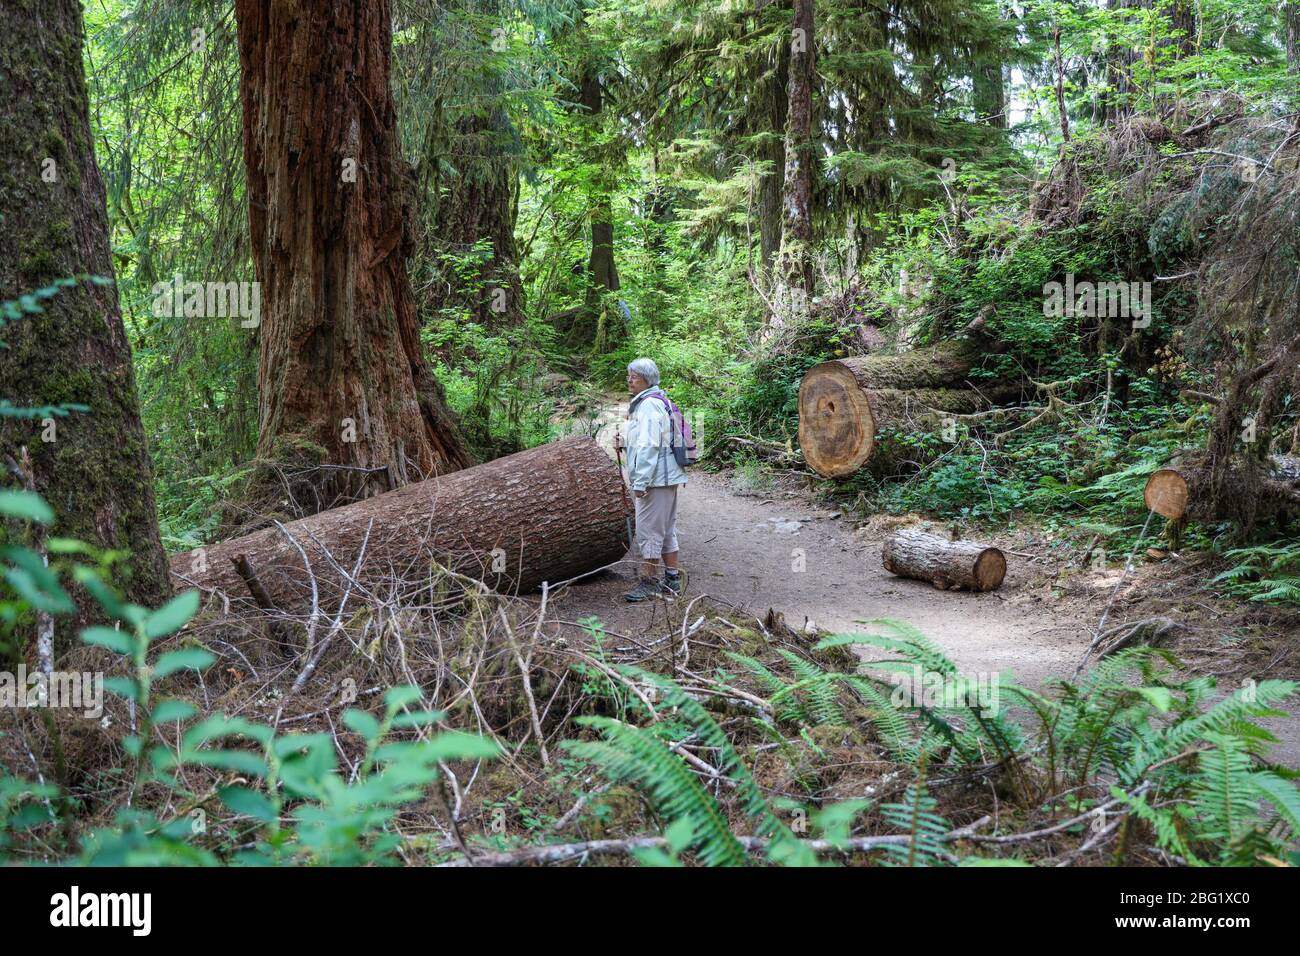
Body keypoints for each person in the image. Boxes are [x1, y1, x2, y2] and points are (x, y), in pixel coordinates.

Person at [621, 358, 685, 601]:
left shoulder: (648, 405)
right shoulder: (658, 400)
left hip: (655, 480)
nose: (629, 380)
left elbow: (649, 446)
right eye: (629, 375)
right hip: (665, 478)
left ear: (647, 380)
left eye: (634, 376)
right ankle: (671, 580)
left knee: (649, 530)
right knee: (666, 529)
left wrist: (640, 483)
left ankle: (649, 582)